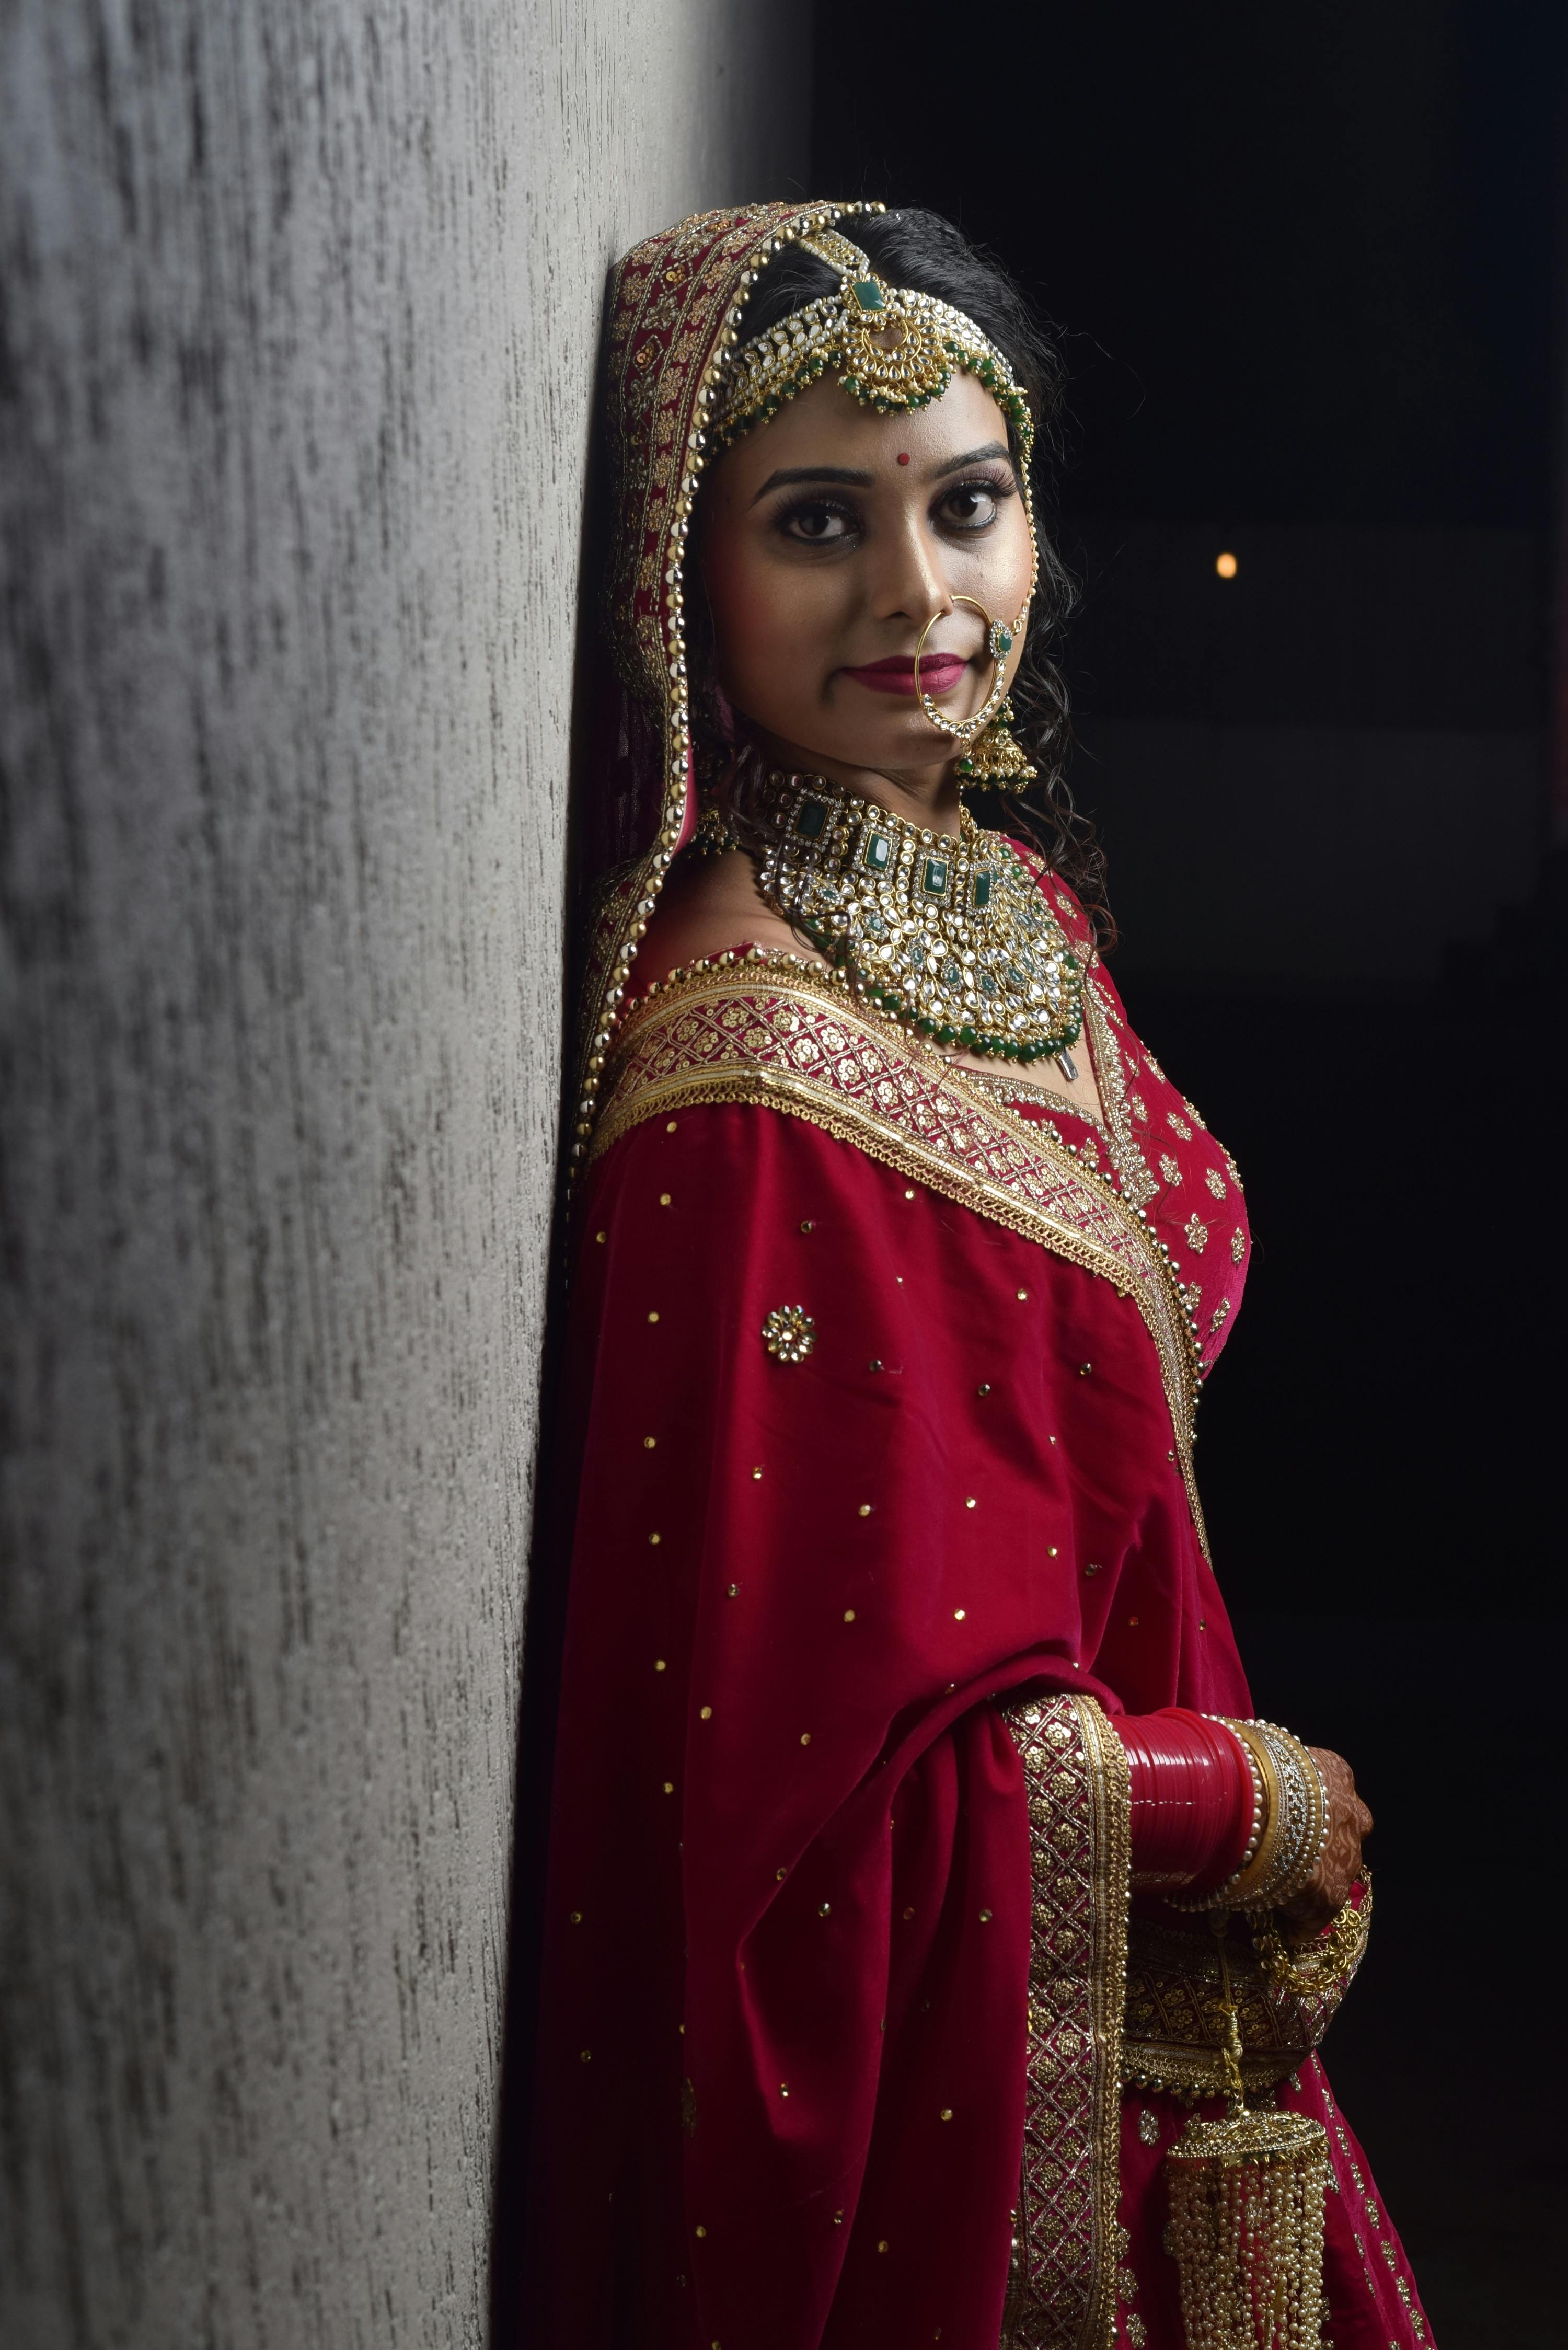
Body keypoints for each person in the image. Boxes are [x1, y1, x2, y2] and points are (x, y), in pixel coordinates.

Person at [524, 200, 1433, 2350]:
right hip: (1010, 2097)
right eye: (823, 521)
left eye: (969, 506)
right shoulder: (751, 1074)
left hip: (1162, 2019)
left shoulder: (1002, 897)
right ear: (684, 576)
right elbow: (786, 1810)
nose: (919, 597)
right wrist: (1239, 1796)